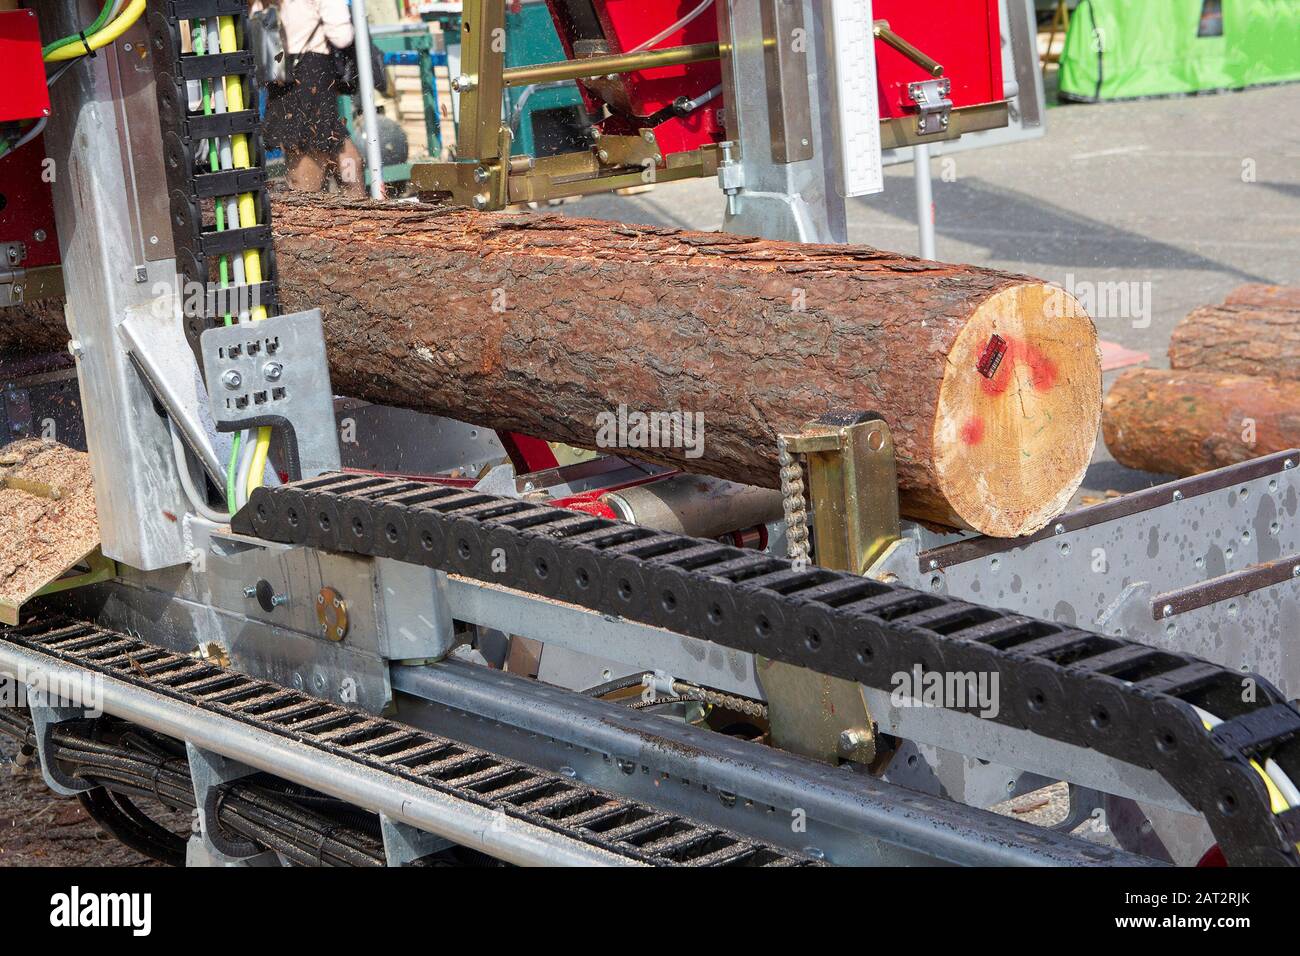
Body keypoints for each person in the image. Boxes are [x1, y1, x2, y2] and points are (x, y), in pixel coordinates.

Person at [260, 0, 366, 197]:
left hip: (284, 77)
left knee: (349, 160)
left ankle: (359, 215)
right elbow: (342, 36)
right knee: (309, 168)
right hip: (312, 78)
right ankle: (311, 219)